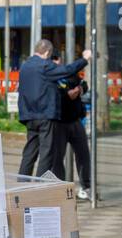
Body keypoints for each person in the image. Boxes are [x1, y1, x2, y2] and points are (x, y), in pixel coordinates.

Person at [17, 39, 91, 179]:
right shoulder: (45, 66)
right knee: (47, 153)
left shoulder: (25, 66)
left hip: (29, 116)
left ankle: (21, 185)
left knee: (30, 153)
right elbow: (67, 70)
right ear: (47, 52)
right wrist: (84, 59)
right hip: (45, 116)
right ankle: (40, 189)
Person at [57, 64, 93, 200]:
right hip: (59, 121)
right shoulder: (54, 76)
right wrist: (69, 93)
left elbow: (84, 85)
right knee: (57, 157)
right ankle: (60, 189)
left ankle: (86, 186)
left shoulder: (74, 76)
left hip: (75, 120)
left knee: (83, 154)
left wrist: (78, 89)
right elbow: (62, 94)